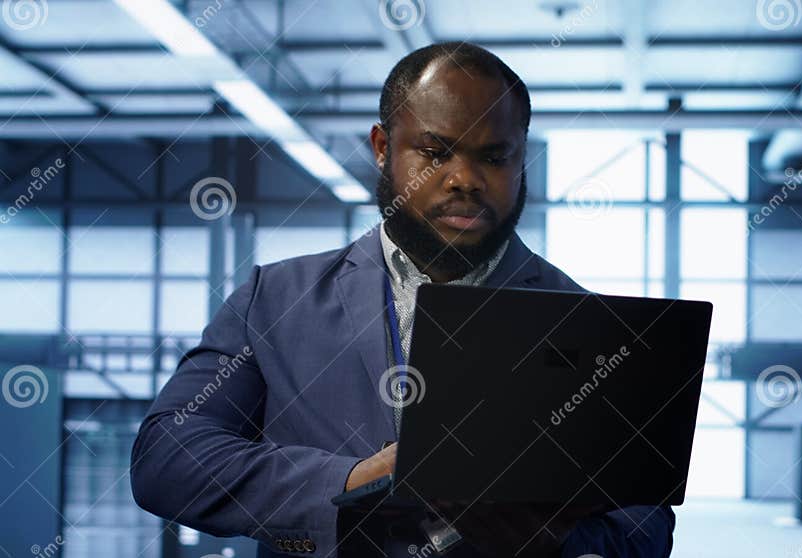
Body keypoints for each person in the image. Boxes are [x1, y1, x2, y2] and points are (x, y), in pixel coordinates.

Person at [130, 41, 675, 558]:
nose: (465, 179)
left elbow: (643, 520)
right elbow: (167, 456)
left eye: (494, 156)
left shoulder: (586, 322)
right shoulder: (272, 300)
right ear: (383, 148)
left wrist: (559, 545)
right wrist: (348, 482)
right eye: (436, 152)